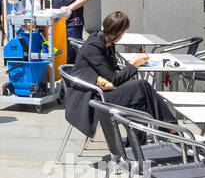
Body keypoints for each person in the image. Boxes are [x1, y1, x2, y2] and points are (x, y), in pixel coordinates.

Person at [63, 11, 178, 143]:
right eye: (124, 31)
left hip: (100, 89)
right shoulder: (94, 46)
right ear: (119, 32)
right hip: (91, 98)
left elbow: (111, 71)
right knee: (142, 85)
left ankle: (136, 146)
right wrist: (134, 65)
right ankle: (171, 127)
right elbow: (114, 79)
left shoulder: (106, 42)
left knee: (140, 102)